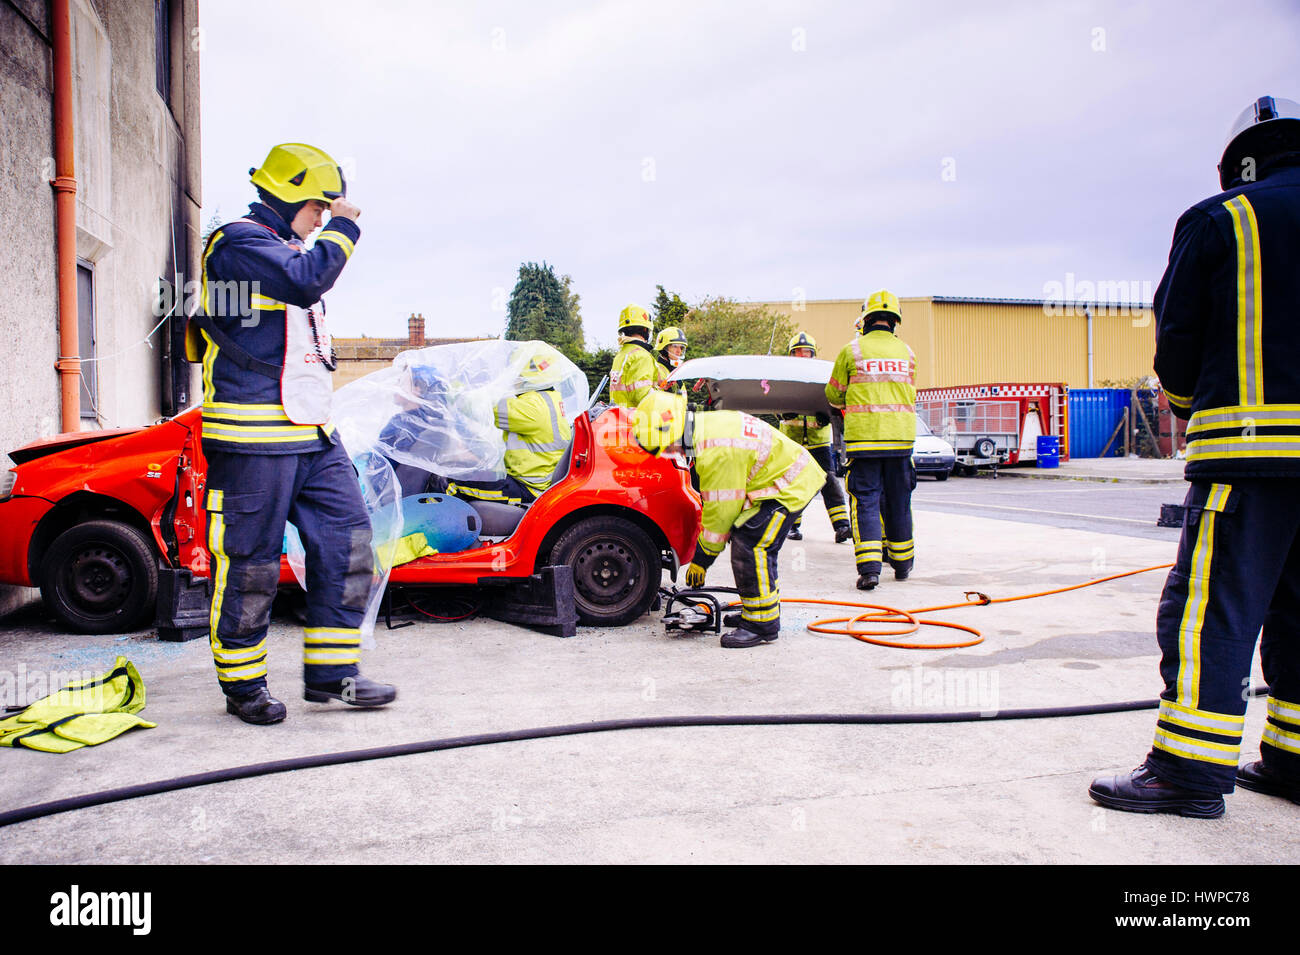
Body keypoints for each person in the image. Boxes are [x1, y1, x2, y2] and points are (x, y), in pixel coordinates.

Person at [1090, 95, 1300, 818]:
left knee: (1212, 609)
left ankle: (1188, 768)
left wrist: (1185, 406)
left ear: (1242, 161)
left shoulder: (1224, 219)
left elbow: (1177, 341)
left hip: (1251, 455)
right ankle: (1296, 757)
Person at [186, 143, 395, 725]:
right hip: (252, 439)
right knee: (250, 563)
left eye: (330, 212)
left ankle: (333, 677)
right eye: (319, 207)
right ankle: (244, 687)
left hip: (311, 437)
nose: (324, 218)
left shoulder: (280, 248)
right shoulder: (237, 244)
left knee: (350, 543)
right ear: (289, 195)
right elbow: (308, 281)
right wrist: (349, 228)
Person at [632, 390, 825, 648]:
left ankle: (761, 625)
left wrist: (702, 560)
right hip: (785, 479)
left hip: (787, 486)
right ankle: (756, 613)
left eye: (666, 448)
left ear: (673, 433)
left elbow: (721, 514)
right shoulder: (706, 426)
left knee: (752, 544)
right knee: (748, 537)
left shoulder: (714, 452)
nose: (669, 453)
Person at [825, 290, 917, 591]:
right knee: (899, 501)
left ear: (865, 320)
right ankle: (902, 564)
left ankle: (870, 571)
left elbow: (833, 395)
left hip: (865, 442)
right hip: (901, 441)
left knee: (865, 501)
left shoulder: (852, 351)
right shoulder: (907, 352)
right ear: (895, 322)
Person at [446, 344, 573, 506]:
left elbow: (483, 409)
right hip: (535, 479)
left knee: (449, 482)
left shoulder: (532, 406)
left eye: (514, 370)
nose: (512, 377)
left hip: (528, 487)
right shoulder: (550, 398)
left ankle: (434, 529)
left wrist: (452, 392)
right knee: (466, 469)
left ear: (526, 373)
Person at [780, 331, 851, 544]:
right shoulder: (783, 376)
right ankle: (793, 527)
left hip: (819, 441)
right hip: (792, 441)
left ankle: (842, 527)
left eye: (807, 352)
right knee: (793, 484)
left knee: (829, 482)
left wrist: (826, 417)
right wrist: (782, 413)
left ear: (813, 354)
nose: (803, 355)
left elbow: (833, 400)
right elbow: (771, 399)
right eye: (799, 352)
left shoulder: (823, 375)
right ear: (792, 354)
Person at [609, 304, 657, 408]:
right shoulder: (641, 355)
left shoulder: (621, 355)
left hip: (618, 417)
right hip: (635, 420)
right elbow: (643, 395)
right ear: (645, 330)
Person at [653, 326, 688, 392]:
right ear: (664, 348)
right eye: (675, 346)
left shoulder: (676, 371)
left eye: (681, 348)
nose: (679, 351)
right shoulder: (656, 370)